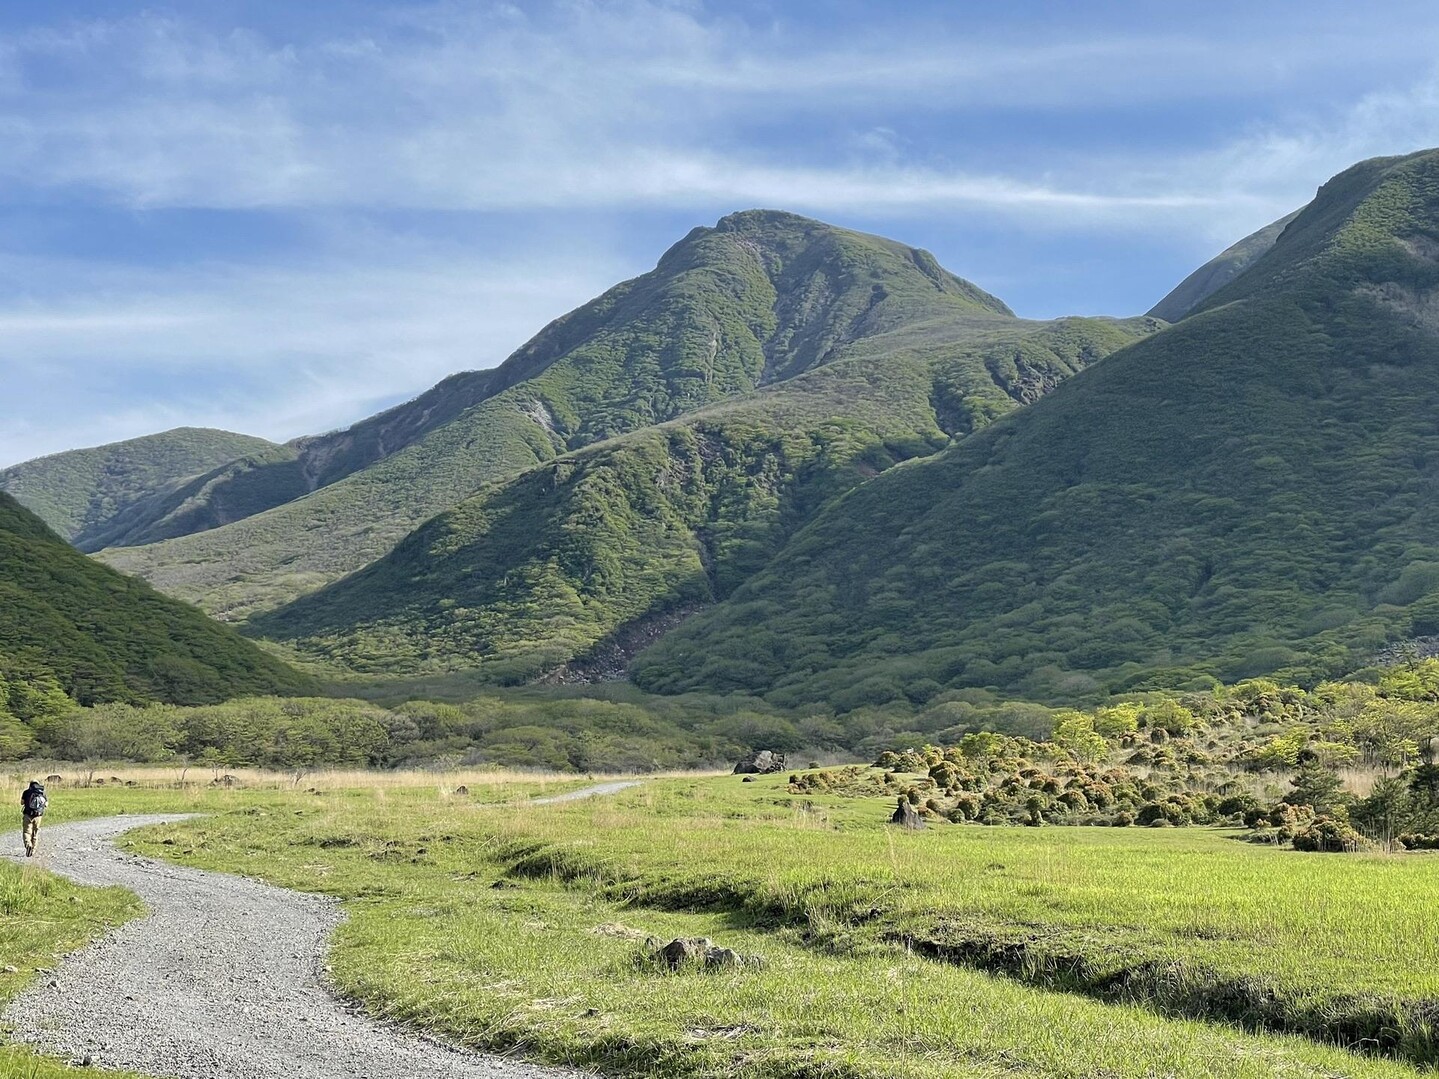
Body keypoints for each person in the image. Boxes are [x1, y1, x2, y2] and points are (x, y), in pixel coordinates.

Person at [20, 780, 46, 857]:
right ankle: (33, 850)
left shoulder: (26, 792)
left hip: (27, 815)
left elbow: (21, 802)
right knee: (35, 833)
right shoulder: (42, 793)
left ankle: (28, 845)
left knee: (27, 832)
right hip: (38, 816)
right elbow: (46, 804)